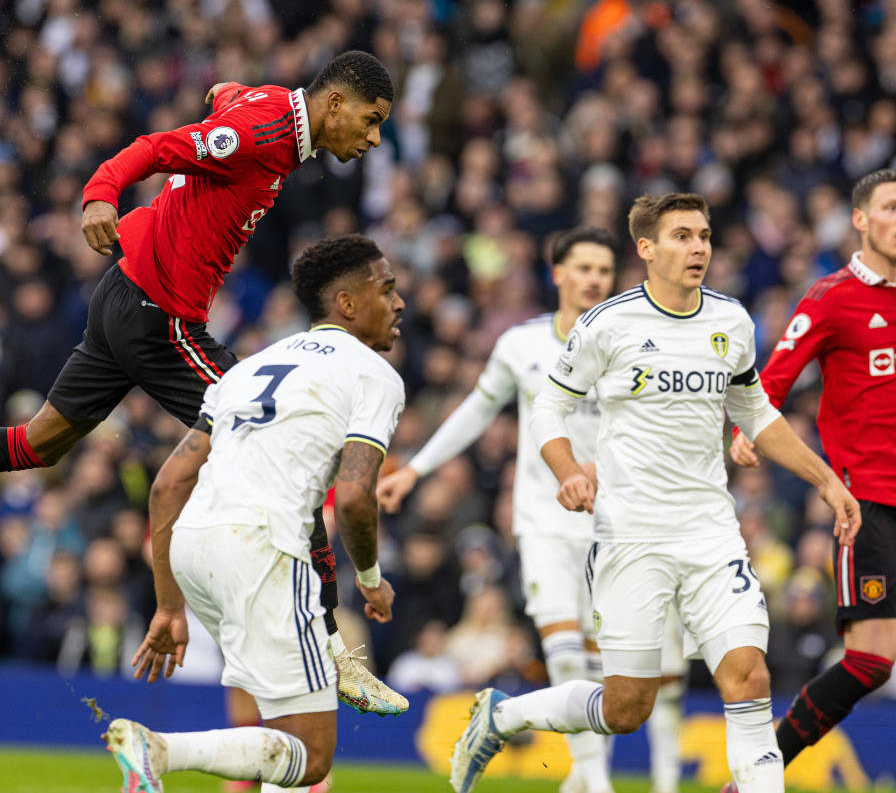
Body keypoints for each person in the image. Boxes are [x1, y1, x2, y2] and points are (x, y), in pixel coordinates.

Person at [0, 51, 406, 715]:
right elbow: (152, 148)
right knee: (283, 449)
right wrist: (98, 194)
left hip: (124, 297)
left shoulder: (266, 116)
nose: (373, 138)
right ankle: (335, 654)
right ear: (336, 104)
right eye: (371, 121)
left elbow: (227, 100)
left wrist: (223, 93)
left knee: (38, 443)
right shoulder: (264, 135)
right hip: (162, 320)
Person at [448, 193, 862, 793]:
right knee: (626, 708)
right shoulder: (607, 325)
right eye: (681, 236)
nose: (698, 248)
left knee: (748, 677)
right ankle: (504, 715)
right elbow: (549, 407)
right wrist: (566, 469)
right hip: (631, 538)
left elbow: (755, 413)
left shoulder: (731, 321)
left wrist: (825, 479)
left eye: (704, 235)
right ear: (645, 249)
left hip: (711, 534)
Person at [377, 226, 687, 793]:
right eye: (584, 268)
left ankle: (578, 771)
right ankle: (593, 780)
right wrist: (416, 468)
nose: (594, 279)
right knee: (565, 656)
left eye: (602, 270)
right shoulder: (522, 345)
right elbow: (477, 409)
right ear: (558, 275)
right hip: (544, 524)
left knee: (610, 672)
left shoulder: (637, 346)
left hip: (617, 529)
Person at [104, 234, 404, 793]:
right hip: (263, 549)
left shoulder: (249, 367)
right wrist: (371, 580)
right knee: (313, 758)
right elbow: (357, 495)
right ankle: (158, 749)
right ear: (346, 302)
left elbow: (169, 483)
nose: (399, 302)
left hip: (195, 545)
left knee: (283, 730)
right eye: (386, 289)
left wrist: (170, 605)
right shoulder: (374, 375)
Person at [727, 167, 896, 774]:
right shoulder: (832, 297)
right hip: (870, 504)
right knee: (870, 664)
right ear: (860, 220)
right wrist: (750, 427)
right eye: (890, 208)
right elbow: (773, 374)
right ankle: (759, 775)